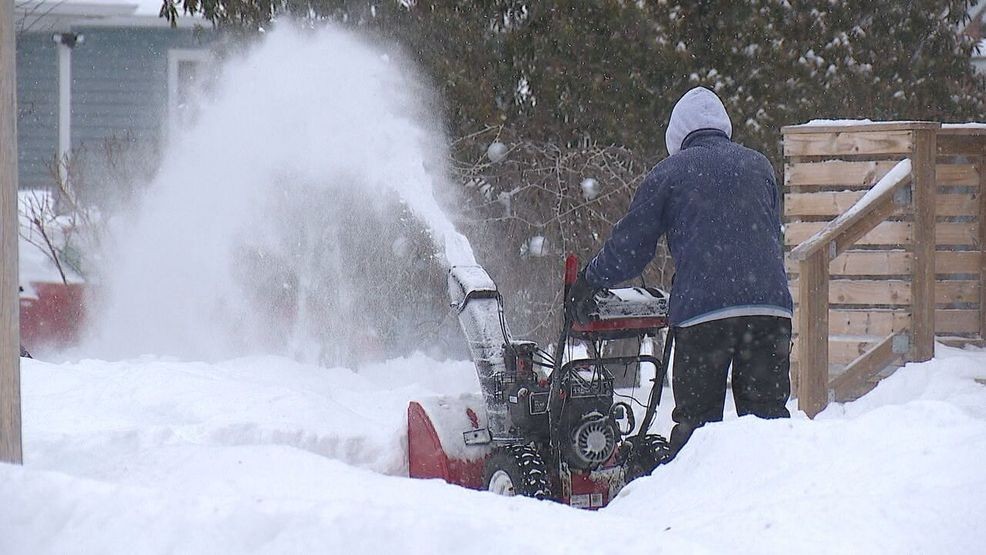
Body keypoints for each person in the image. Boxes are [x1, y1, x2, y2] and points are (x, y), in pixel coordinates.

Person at [572, 86, 793, 456]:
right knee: (768, 423)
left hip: (705, 316)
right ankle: (777, 501)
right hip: (770, 311)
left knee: (698, 429)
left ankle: (694, 504)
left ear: (677, 137)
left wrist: (591, 279)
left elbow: (631, 248)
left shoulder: (671, 172)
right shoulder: (759, 166)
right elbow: (768, 237)